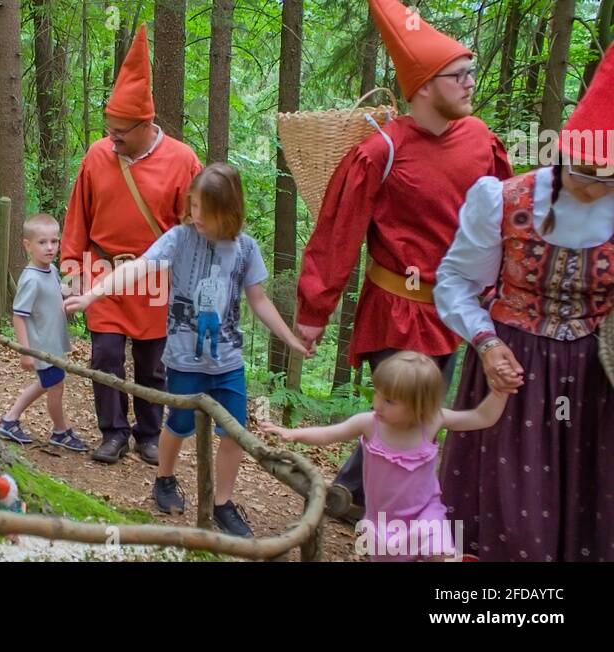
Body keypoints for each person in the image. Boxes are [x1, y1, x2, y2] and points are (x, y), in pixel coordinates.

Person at [294, 0, 512, 517]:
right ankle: (385, 515)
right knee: (404, 416)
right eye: (458, 75)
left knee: (416, 416)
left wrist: (503, 294)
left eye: (471, 73)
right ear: (424, 85)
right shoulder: (381, 151)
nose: (469, 83)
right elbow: (337, 231)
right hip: (393, 310)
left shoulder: (482, 141)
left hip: (452, 312)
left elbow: (505, 223)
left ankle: (355, 496)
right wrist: (313, 310)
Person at [433, 44, 614, 561]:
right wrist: (486, 343)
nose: (594, 189)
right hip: (509, 373)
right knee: (505, 517)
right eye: (583, 174)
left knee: (590, 514)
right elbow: (453, 283)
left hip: (596, 381)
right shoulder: (504, 199)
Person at [65, 163, 310, 537]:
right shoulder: (180, 239)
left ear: (228, 211)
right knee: (177, 424)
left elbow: (258, 300)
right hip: (184, 359)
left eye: (205, 211)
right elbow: (140, 267)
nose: (196, 216)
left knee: (235, 433)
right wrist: (94, 293)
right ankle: (164, 479)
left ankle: (223, 503)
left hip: (228, 360)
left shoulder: (246, 249)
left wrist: (290, 337)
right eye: (193, 206)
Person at [61, 24, 203, 465]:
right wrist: (71, 266)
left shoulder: (183, 160)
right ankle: (113, 431)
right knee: (104, 355)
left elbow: (194, 226)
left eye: (121, 131)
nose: (113, 138)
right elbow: (78, 214)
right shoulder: (96, 155)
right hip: (103, 271)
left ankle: (147, 432)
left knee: (153, 362)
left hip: (156, 277)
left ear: (146, 124)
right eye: (109, 128)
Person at [262, 351, 508, 561]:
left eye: (389, 401)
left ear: (418, 405)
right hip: (383, 522)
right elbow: (329, 434)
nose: (377, 404)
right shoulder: (369, 424)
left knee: (441, 552)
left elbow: (480, 418)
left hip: (425, 511)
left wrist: (499, 394)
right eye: (378, 393)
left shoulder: (432, 422)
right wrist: (292, 433)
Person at [0, 214, 87, 452]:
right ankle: (60, 431)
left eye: (54, 242)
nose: (50, 247)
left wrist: (71, 292)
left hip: (53, 342)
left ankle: (10, 419)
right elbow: (19, 315)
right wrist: (26, 352)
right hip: (41, 347)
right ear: (27, 245)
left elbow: (56, 290)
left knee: (47, 384)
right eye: (42, 242)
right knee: (55, 386)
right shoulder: (31, 279)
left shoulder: (51, 270)